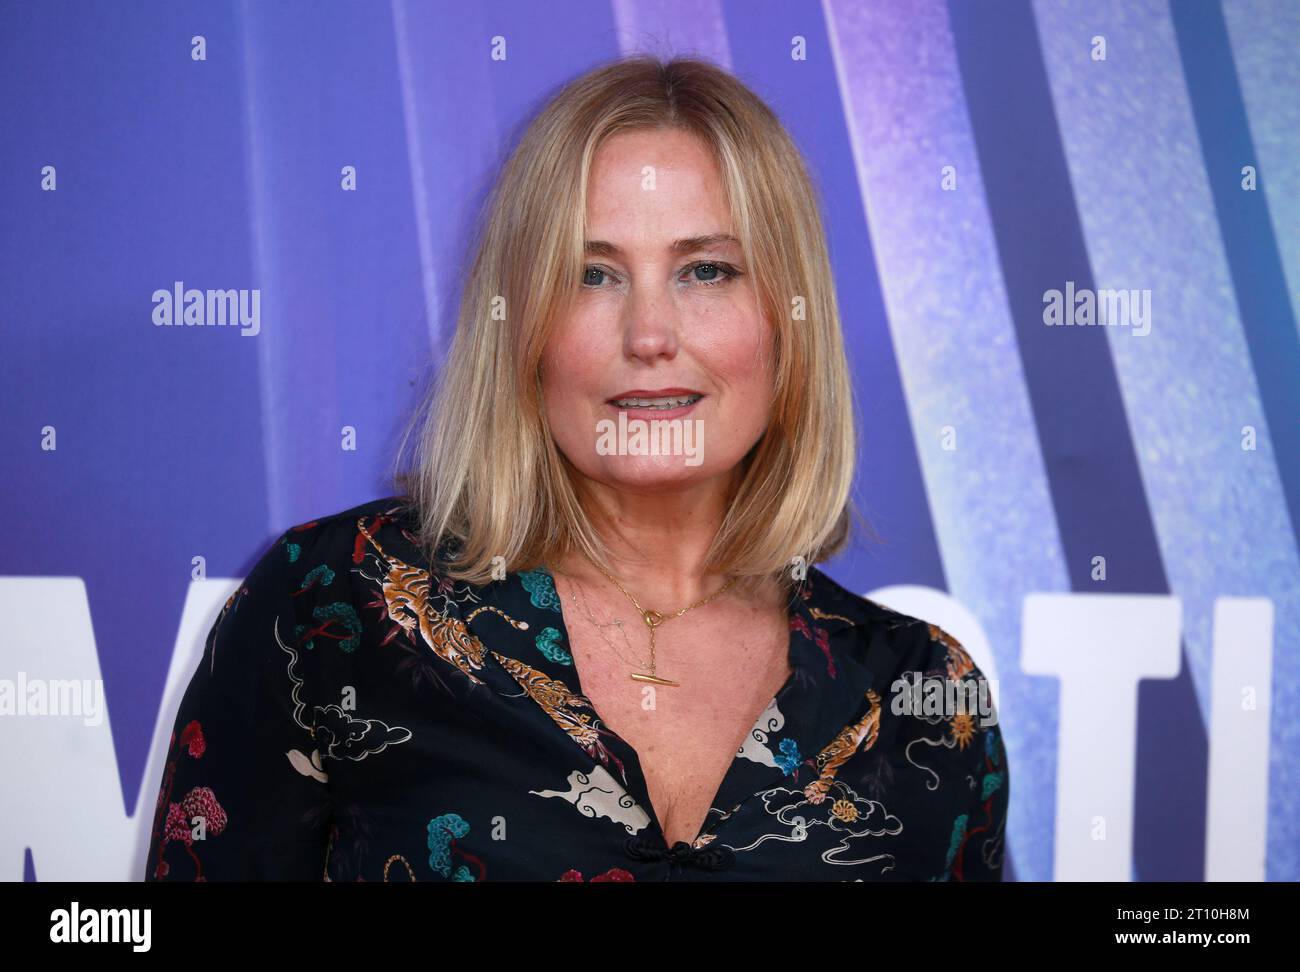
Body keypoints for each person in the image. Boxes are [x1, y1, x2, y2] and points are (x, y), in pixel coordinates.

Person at [145, 54, 1008, 882]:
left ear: (788, 324)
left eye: (706, 271)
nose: (648, 336)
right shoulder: (336, 604)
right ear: (521, 328)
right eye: (592, 274)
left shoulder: (925, 698)